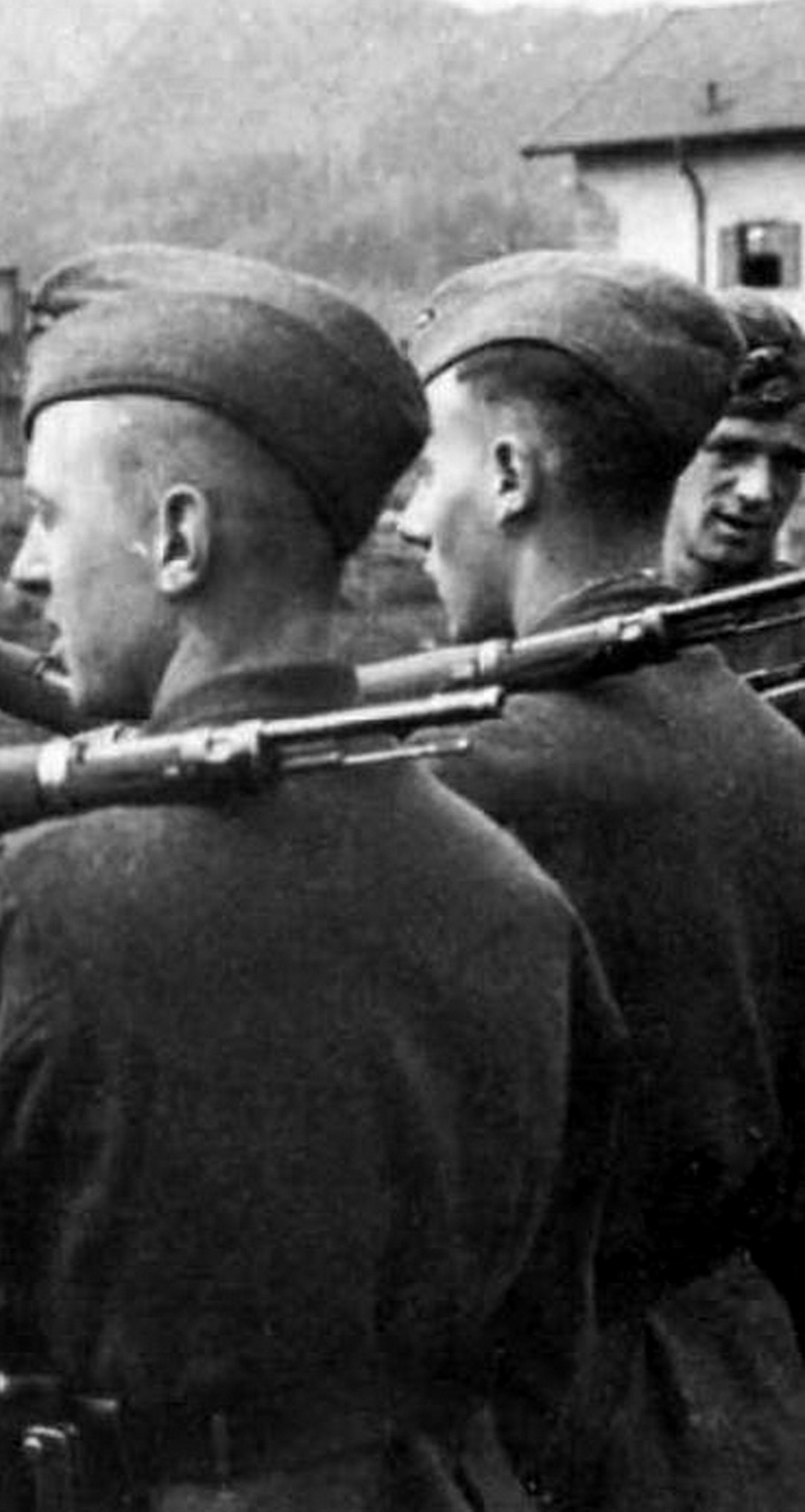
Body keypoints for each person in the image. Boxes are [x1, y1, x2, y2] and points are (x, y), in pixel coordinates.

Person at [0, 243, 623, 1512]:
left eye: (47, 515)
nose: (23, 568)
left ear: (178, 537)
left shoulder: (31, 902)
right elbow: (549, 1346)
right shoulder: (514, 894)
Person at [399, 248, 805, 1509]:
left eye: (435, 466)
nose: (414, 517)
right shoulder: (776, 747)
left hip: (544, 1429)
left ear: (511, 474)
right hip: (747, 1392)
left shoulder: (465, 789)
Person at [662, 289, 805, 719]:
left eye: (789, 462)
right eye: (731, 451)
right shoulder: (582, 622)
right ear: (668, 447)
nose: (758, 490)